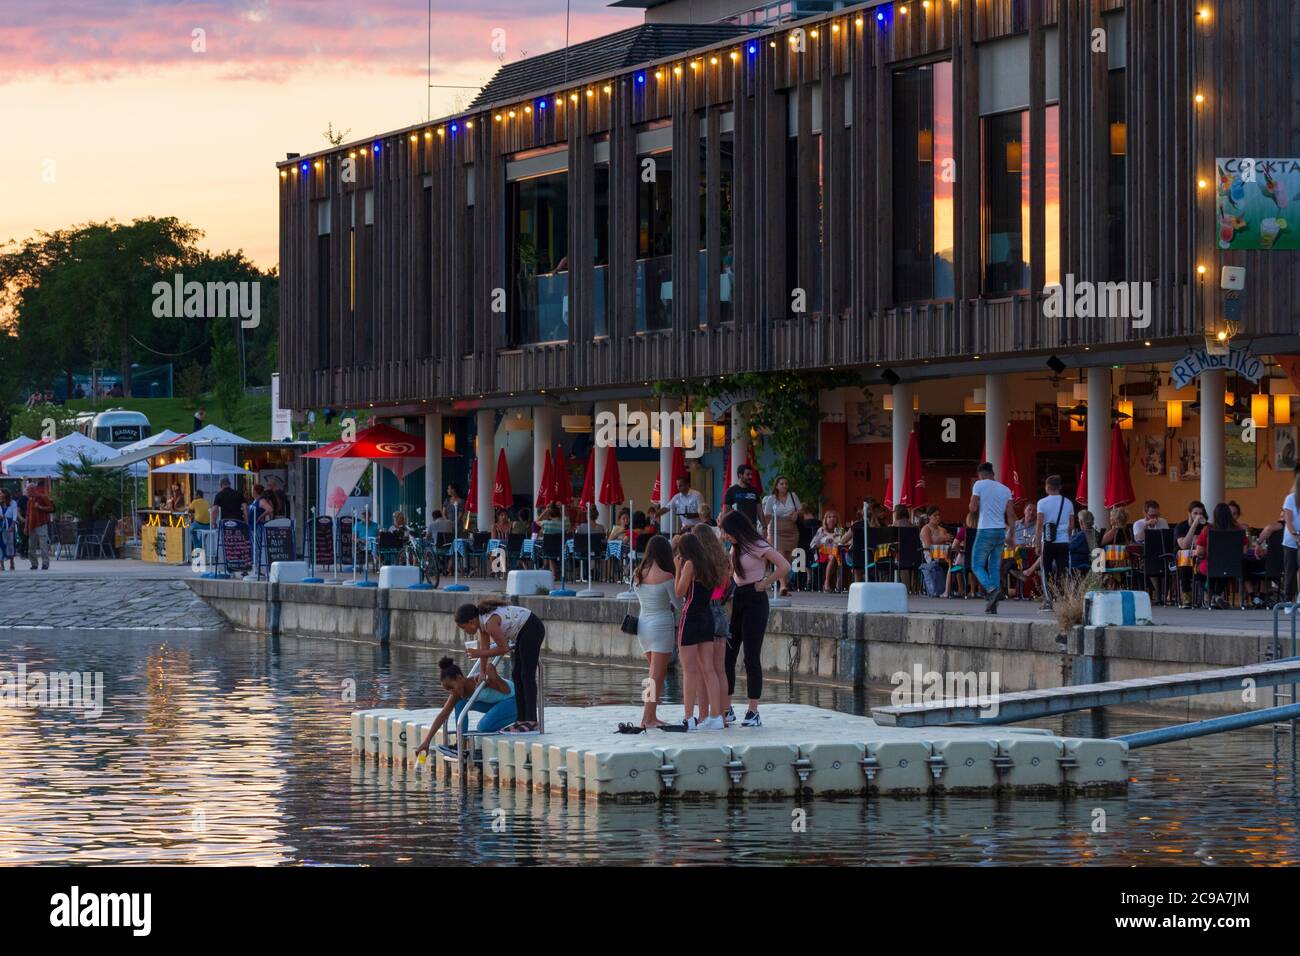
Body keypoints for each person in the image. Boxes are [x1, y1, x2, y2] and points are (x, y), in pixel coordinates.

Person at [720, 509, 790, 727]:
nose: (725, 535)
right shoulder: (735, 547)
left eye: (727, 531)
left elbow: (784, 565)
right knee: (728, 655)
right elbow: (733, 572)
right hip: (738, 596)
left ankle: (753, 710)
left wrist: (766, 583)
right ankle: (727, 706)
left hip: (755, 599)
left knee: (751, 655)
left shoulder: (758, 545)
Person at [455, 599, 546, 734]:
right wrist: (482, 673)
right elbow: (485, 647)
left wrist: (479, 652)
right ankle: (521, 720)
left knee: (526, 675)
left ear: (471, 622)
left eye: (464, 627)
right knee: (517, 675)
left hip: (531, 627)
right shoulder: (483, 625)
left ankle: (532, 721)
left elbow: (504, 648)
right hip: (521, 633)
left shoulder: (490, 624)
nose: (465, 631)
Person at [673, 531, 725, 731]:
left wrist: (678, 568)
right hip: (707, 617)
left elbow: (679, 592)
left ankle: (689, 717)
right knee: (709, 669)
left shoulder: (689, 565)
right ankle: (715, 717)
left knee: (689, 670)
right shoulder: (709, 565)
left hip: (691, 617)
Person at [413, 656, 517, 758]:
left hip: (515, 701)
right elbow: (443, 715)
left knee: (483, 727)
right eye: (447, 689)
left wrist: (493, 679)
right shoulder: (457, 694)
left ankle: (516, 720)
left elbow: (507, 690)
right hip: (499, 703)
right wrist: (426, 742)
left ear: (459, 678)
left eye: (451, 687)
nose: (451, 691)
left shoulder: (478, 680)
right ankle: (460, 745)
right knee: (460, 702)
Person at [629, 535, 679, 729]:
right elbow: (677, 603)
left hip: (643, 625)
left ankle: (652, 715)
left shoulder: (637, 573)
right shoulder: (667, 576)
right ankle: (647, 718)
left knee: (654, 673)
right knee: (656, 675)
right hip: (661, 625)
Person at [968, 462, 1016, 614]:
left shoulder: (979, 485)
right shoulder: (1006, 489)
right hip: (1000, 531)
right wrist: (1011, 536)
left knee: (976, 565)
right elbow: (1011, 515)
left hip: (985, 530)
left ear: (981, 475)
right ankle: (992, 606)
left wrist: (976, 501)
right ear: (992, 473)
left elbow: (973, 508)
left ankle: (992, 589)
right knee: (994, 566)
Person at [1033, 475, 1075, 609]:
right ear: (1060, 487)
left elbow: (1040, 524)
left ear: (1047, 487)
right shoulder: (1068, 502)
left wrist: (1037, 544)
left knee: (1046, 571)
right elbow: (1071, 525)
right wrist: (1066, 537)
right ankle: (1065, 598)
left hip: (1048, 542)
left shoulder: (1042, 503)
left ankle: (1048, 600)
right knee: (1064, 571)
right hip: (1063, 542)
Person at [1195, 503, 1242, 609]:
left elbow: (1199, 551)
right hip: (1231, 566)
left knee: (1197, 573)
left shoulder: (1208, 529)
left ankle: (1214, 596)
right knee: (1223, 572)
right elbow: (1243, 550)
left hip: (1210, 564)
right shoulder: (1237, 530)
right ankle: (1215, 598)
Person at [761, 475, 800, 596]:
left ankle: (784, 584)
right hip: (776, 529)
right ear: (776, 486)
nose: (784, 486)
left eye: (786, 483)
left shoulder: (793, 496)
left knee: (788, 559)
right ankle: (783, 586)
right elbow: (767, 515)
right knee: (780, 557)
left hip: (791, 529)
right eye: (781, 483)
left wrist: (796, 514)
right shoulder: (771, 499)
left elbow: (800, 509)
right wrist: (764, 529)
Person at [919, 508, 952, 597]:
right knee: (951, 561)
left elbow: (946, 544)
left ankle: (954, 589)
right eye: (935, 515)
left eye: (939, 515)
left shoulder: (943, 530)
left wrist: (948, 542)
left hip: (944, 554)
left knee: (955, 561)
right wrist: (943, 539)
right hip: (931, 555)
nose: (938, 517)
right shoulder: (926, 529)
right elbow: (929, 546)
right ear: (929, 517)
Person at [722, 464, 763, 532]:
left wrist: (764, 527)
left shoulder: (754, 491)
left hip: (752, 528)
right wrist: (724, 528)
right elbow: (725, 511)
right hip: (737, 528)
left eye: (751, 474)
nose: (750, 477)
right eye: (747, 474)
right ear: (740, 475)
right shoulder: (731, 491)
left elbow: (759, 510)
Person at [811, 510, 845, 592]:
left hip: (836, 554)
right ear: (825, 519)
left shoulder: (840, 530)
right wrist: (824, 539)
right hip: (822, 554)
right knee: (834, 556)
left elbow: (842, 542)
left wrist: (834, 536)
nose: (831, 519)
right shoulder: (821, 530)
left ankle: (837, 583)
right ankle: (827, 583)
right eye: (829, 517)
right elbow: (812, 544)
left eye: (834, 517)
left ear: (837, 519)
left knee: (836, 556)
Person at [24, 481, 53, 571]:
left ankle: (45, 564)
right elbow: (27, 515)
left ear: (33, 490)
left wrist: (40, 507)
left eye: (28, 490)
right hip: (31, 526)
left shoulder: (42, 497)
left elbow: (51, 508)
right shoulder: (29, 501)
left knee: (43, 546)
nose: (27, 492)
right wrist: (25, 527)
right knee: (31, 547)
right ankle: (34, 564)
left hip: (41, 524)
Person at [1283, 477, 1300, 603]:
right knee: (1290, 571)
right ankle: (1288, 600)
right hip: (1290, 541)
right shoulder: (1290, 498)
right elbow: (1288, 520)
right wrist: (1295, 537)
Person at [0, 488, 16, 570]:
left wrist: (12, 526)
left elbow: (14, 515)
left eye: (1, 493)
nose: (0, 495)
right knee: (1, 544)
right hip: (0, 524)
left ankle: (11, 562)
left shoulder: (13, 503)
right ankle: (1, 563)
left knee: (10, 544)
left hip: (9, 523)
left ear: (5, 494)